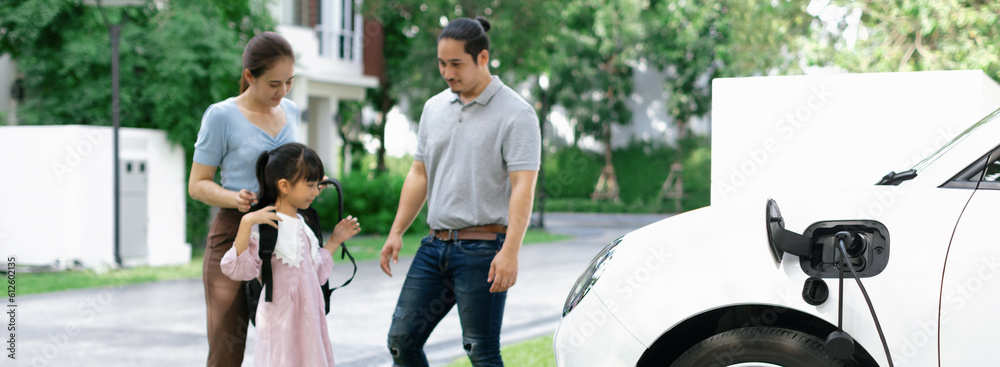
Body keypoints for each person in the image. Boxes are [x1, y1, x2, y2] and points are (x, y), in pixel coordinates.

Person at [379, 16, 541, 366]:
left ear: (482, 57)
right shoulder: (433, 108)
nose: (447, 73)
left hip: (484, 249)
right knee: (401, 342)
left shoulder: (517, 114)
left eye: (456, 64)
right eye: (441, 63)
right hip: (434, 246)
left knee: (480, 351)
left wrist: (511, 251)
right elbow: (419, 173)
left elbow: (523, 187)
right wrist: (396, 231)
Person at [188, 31, 300, 366]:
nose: (282, 92)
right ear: (250, 76)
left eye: (289, 82)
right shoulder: (221, 116)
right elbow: (197, 184)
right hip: (234, 234)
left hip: (283, 234)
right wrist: (232, 197)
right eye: (274, 84)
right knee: (227, 346)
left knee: (289, 343)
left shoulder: (291, 111)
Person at [221, 142, 361, 366]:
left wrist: (335, 241)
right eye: (310, 185)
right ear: (285, 186)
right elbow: (234, 268)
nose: (316, 192)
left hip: (309, 323)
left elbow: (314, 274)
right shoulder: (266, 224)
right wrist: (246, 223)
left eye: (317, 185)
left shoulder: (305, 224)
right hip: (280, 324)